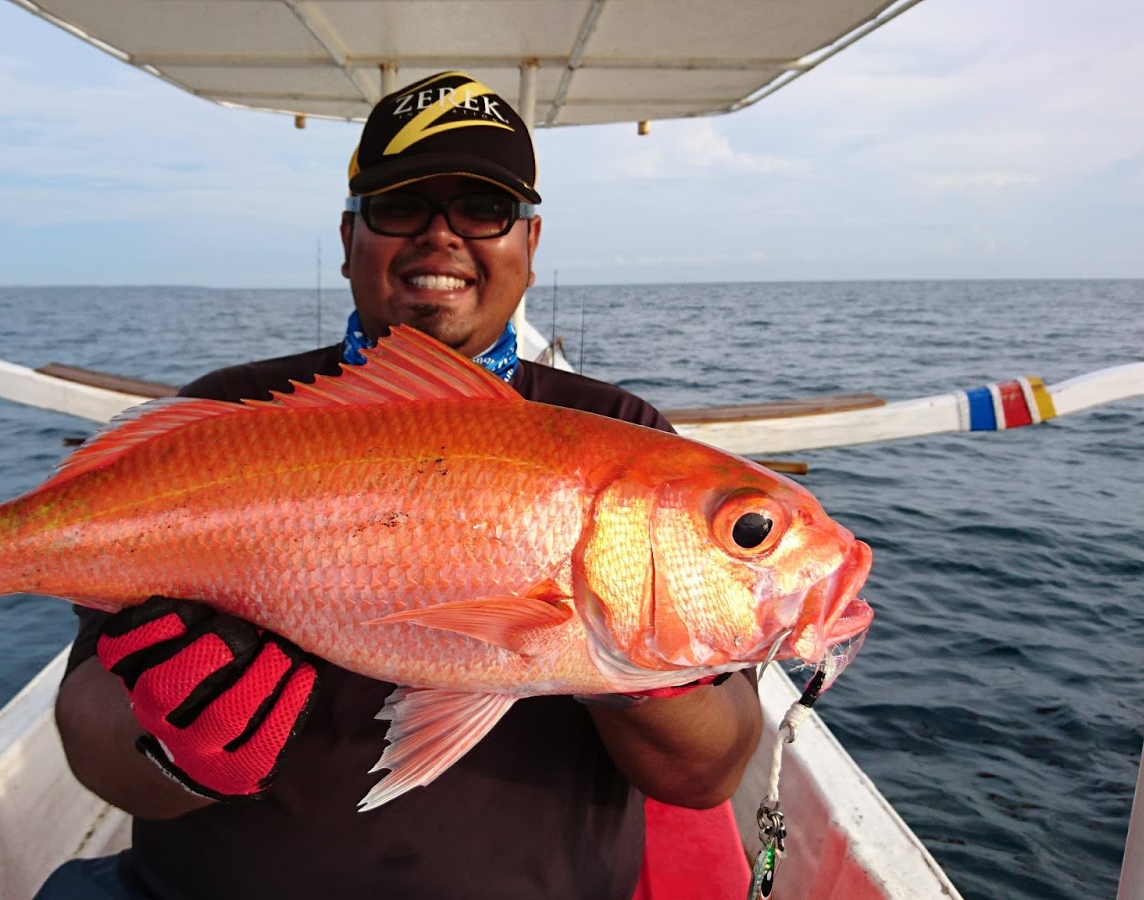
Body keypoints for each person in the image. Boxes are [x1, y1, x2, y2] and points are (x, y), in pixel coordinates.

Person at [43, 71, 763, 900]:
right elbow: (88, 736)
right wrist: (170, 751)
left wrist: (644, 664)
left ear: (529, 244)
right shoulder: (232, 415)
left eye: (483, 209)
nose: (441, 235)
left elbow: (707, 775)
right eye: (400, 207)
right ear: (349, 236)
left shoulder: (622, 433)